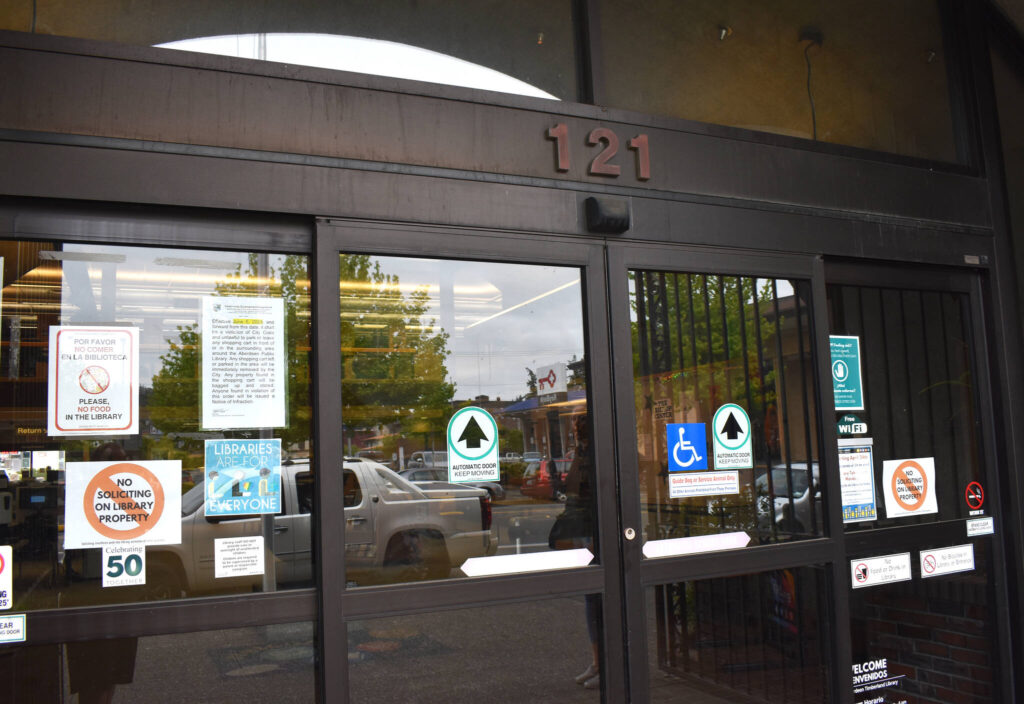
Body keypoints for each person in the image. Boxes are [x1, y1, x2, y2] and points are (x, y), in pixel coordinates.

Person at [548, 414, 602, 690]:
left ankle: (606, 664)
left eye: (577, 430)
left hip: (593, 529)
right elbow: (574, 489)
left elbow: (594, 492)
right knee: (591, 599)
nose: (574, 435)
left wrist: (596, 538)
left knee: (598, 599)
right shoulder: (582, 453)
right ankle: (598, 662)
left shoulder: (596, 453)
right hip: (582, 527)